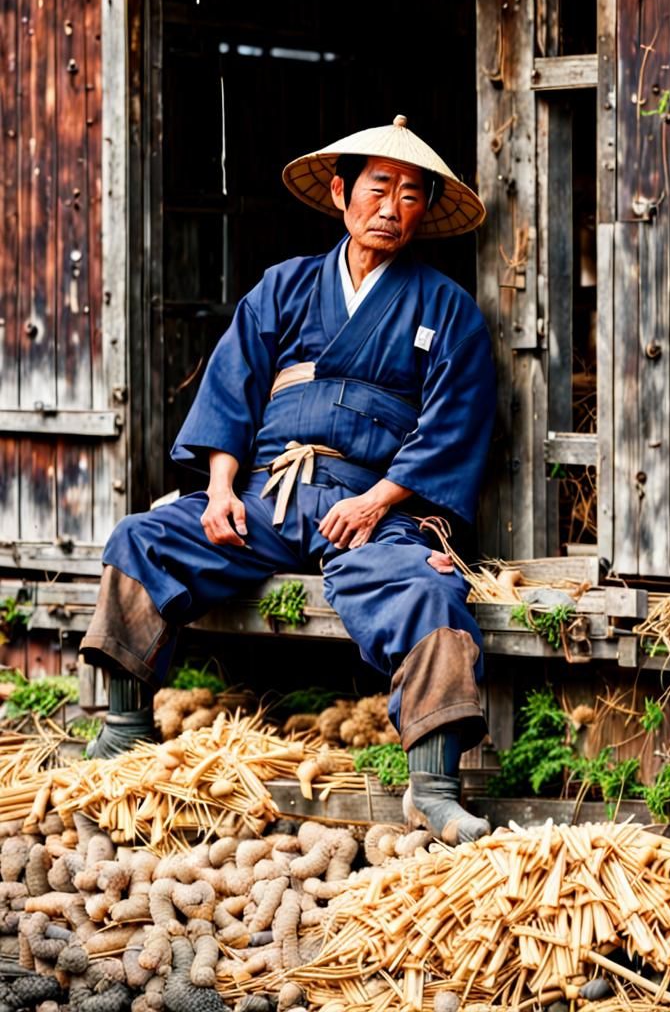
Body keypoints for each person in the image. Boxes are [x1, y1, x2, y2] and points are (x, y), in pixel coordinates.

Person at [81, 115, 496, 844]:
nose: (391, 208)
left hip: (372, 508)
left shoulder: (446, 309)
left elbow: (453, 425)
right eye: (377, 189)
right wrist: (216, 491)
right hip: (264, 499)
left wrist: (376, 501)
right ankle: (122, 730)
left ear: (426, 209)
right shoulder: (287, 288)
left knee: (429, 591)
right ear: (340, 192)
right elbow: (231, 392)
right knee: (143, 537)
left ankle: (433, 786)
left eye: (409, 195)